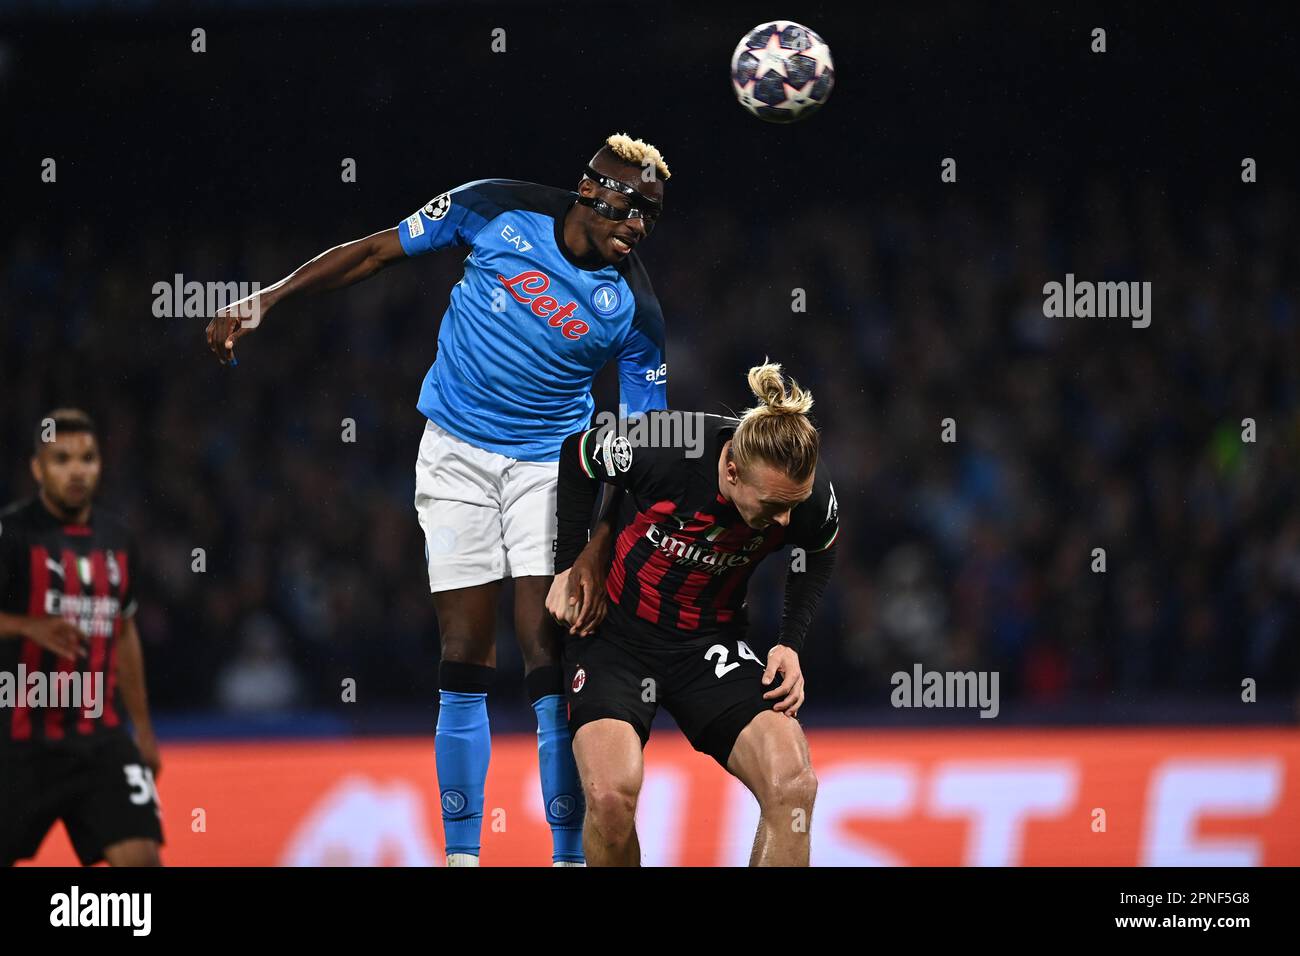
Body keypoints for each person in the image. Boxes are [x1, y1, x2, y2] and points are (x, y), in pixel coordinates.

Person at [205, 133, 672, 866]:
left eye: (652, 217)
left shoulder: (635, 309)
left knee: (545, 653)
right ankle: (462, 857)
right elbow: (373, 251)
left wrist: (600, 543)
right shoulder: (493, 207)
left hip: (552, 470)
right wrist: (270, 298)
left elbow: (640, 444)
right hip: (453, 454)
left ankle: (566, 856)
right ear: (594, 191)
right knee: (464, 652)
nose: (641, 228)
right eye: (634, 208)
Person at [547, 362, 839, 866]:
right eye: (773, 506)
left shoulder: (801, 493)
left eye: (794, 505)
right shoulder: (664, 445)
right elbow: (579, 456)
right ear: (730, 471)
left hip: (709, 645)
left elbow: (819, 550)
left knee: (793, 783)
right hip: (614, 636)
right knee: (612, 799)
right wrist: (572, 563)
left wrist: (789, 642)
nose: (787, 520)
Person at [0, 409, 163, 867]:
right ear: (38, 468)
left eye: (88, 458)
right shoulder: (11, 536)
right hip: (18, 741)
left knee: (143, 862)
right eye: (62, 459)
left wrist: (144, 730)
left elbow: (124, 629)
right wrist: (25, 625)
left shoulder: (118, 539)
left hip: (100, 739)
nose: (77, 470)